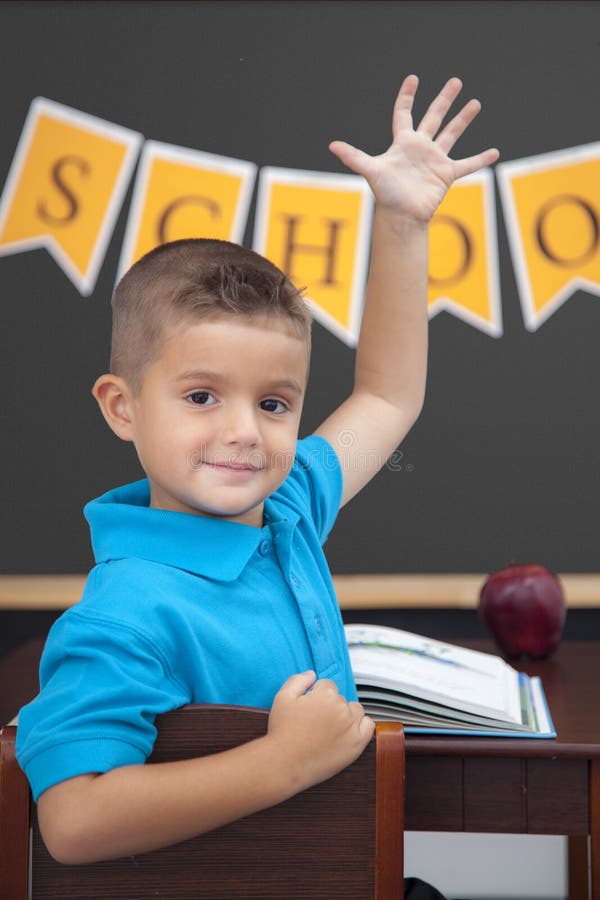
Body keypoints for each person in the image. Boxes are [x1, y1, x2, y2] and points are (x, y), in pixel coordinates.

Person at [16, 76, 497, 894]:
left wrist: (404, 222)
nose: (246, 431)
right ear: (122, 407)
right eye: (202, 396)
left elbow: (385, 394)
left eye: (275, 403)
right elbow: (73, 821)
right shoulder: (122, 614)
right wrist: (281, 762)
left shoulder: (289, 507)